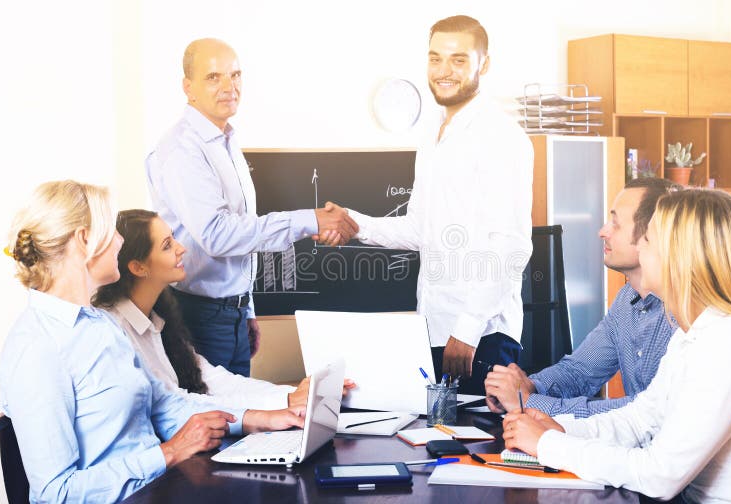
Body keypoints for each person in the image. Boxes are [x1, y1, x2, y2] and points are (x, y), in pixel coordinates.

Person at [0, 181, 306, 502]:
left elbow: (165, 403)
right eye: (111, 230)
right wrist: (169, 453)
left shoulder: (100, 323)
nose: (120, 241)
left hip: (160, 489)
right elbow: (54, 492)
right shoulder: (36, 348)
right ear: (84, 240)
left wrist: (256, 419)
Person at [502, 188, 731, 501]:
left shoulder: (729, 345)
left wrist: (548, 444)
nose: (639, 248)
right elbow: (640, 419)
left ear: (682, 258)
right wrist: (561, 429)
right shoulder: (693, 335)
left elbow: (659, 474)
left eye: (649, 240)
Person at [146, 38, 358, 377]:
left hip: (232, 313)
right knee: (217, 419)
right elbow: (218, 235)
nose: (229, 87)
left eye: (235, 75)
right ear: (189, 88)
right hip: (198, 316)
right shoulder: (182, 149)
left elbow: (242, 229)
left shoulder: (225, 141)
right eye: (214, 77)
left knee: (240, 419)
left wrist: (246, 309)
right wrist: (310, 220)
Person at [344, 15, 533, 395]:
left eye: (458, 60)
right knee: (440, 447)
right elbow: (419, 228)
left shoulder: (500, 137)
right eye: (435, 59)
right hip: (433, 328)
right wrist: (354, 224)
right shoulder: (433, 135)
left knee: (484, 450)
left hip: (480, 338)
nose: (444, 71)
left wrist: (466, 329)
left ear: (485, 64)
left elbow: (509, 244)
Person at [92, 209, 355, 410]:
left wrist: (292, 394)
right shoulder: (114, 328)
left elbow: (212, 379)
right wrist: (286, 401)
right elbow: (177, 403)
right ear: (138, 267)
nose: (182, 248)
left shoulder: (160, 315)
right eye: (167, 245)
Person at [485, 178, 681, 417]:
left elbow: (647, 413)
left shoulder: (685, 313)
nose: (602, 232)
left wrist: (531, 403)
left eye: (616, 224)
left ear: (653, 235)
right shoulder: (627, 299)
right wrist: (529, 387)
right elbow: (580, 371)